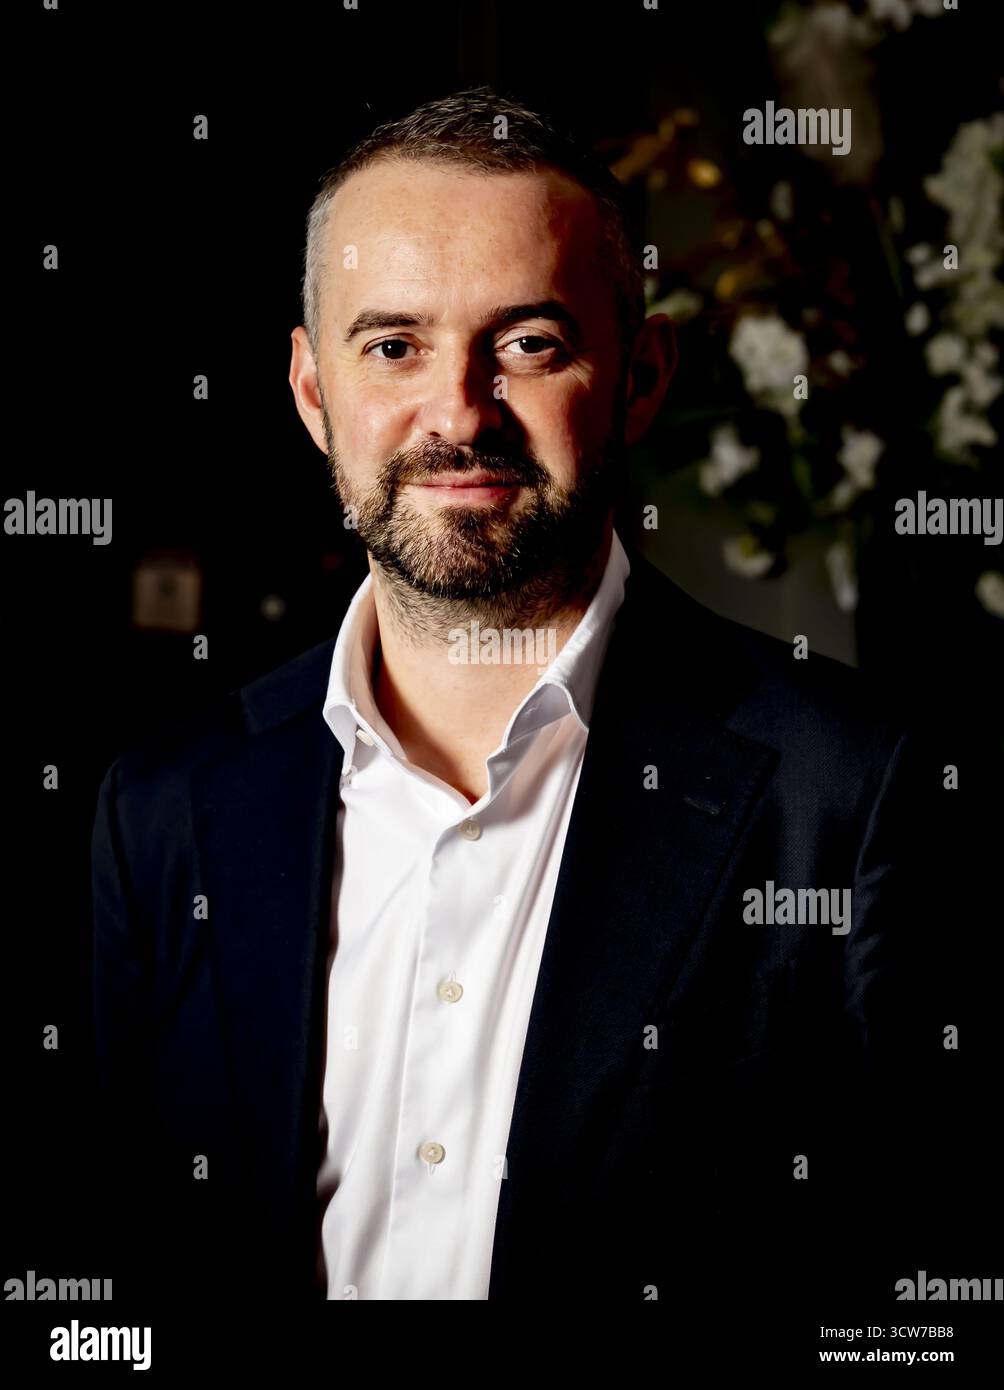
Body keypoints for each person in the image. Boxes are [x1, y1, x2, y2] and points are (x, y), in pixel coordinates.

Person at [91, 87, 981, 1309]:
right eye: (392, 345)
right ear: (312, 395)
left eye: (527, 344)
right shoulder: (161, 807)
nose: (456, 413)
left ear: (641, 375)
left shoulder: (856, 791)